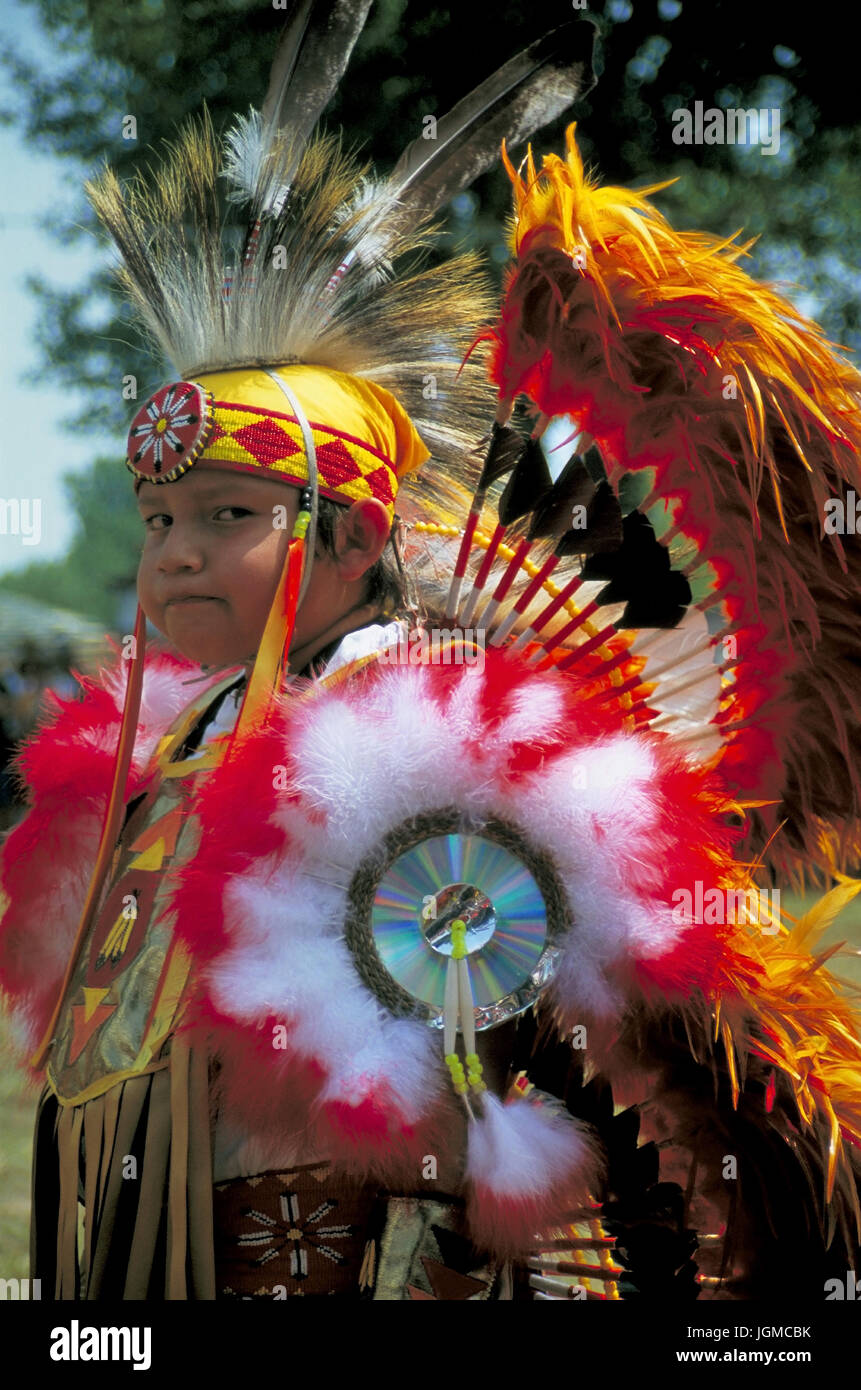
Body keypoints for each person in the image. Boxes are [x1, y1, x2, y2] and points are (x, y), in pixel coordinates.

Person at [2, 12, 860, 1303]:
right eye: (162, 521)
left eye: (227, 518)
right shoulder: (178, 732)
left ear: (347, 538)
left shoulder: (419, 734)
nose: (173, 554)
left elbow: (507, 1034)